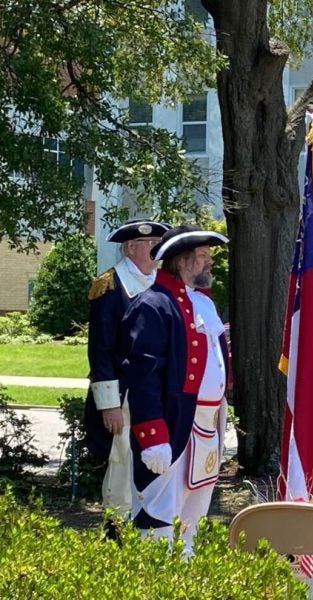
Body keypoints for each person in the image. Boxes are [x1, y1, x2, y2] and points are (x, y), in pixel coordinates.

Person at [117, 224, 229, 554]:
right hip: (173, 427)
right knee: (159, 519)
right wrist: (152, 436)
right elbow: (143, 375)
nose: (209, 262)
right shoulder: (153, 305)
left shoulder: (204, 304)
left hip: (206, 428)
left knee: (192, 520)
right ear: (182, 262)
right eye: (203, 256)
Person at [84, 219, 171, 522]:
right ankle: (116, 533)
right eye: (152, 245)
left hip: (154, 393)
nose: (158, 251)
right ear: (131, 247)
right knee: (121, 464)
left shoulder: (161, 283)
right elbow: (101, 349)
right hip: (123, 396)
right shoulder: (110, 286)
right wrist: (108, 404)